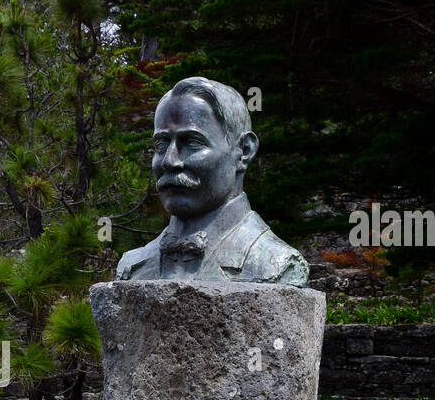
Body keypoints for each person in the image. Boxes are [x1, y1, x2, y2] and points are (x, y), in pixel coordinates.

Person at [116, 77, 308, 286]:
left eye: (192, 142)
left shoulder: (275, 264)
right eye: (161, 145)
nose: (169, 161)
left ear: (244, 151)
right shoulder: (133, 266)